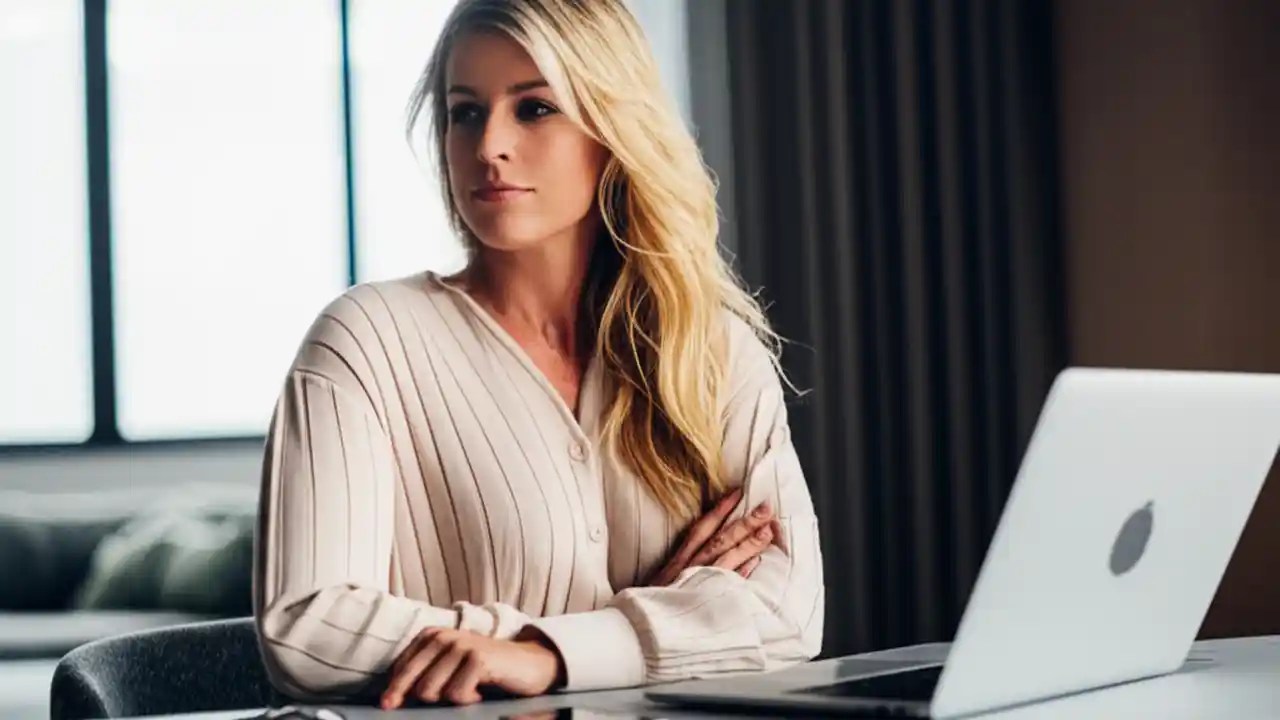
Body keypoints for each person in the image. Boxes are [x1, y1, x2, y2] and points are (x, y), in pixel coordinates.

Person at [252, 0, 823, 709]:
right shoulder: (365, 343)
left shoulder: (707, 348)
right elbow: (308, 626)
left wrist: (543, 654)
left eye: (535, 109)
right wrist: (652, 629)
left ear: (612, 129)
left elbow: (788, 614)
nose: (488, 144)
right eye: (464, 112)